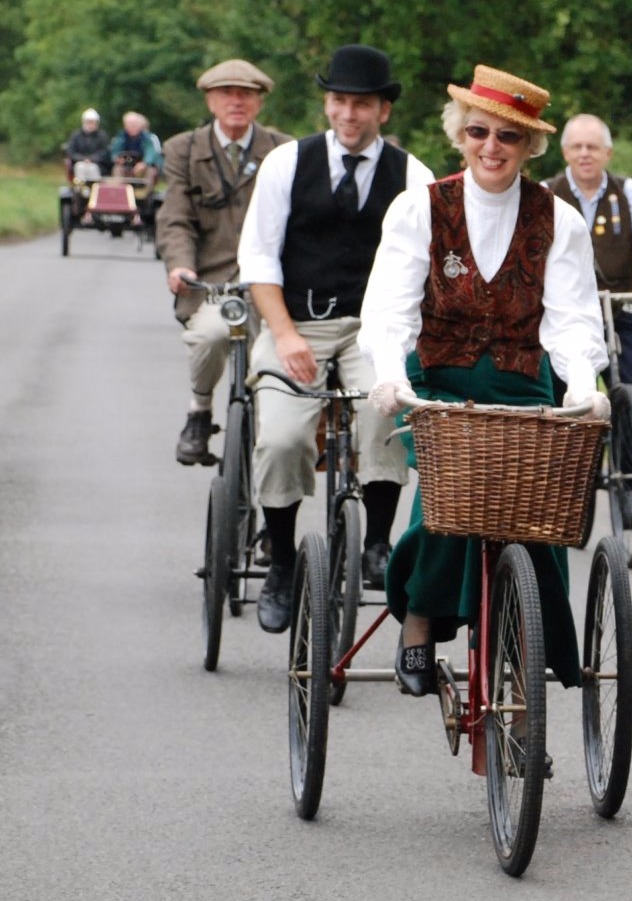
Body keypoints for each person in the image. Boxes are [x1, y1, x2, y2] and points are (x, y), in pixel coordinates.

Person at [359, 64, 610, 697]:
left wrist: (581, 383)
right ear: (459, 134)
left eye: (509, 137)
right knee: (450, 500)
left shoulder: (560, 220)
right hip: (436, 379)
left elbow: (572, 317)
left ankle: (525, 661)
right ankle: (419, 617)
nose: (492, 148)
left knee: (535, 514)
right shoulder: (422, 207)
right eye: (479, 132)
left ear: (530, 147)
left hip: (522, 380)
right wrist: (390, 376)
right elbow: (390, 305)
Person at [236, 44, 435, 633]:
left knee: (387, 411)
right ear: (326, 103)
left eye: (362, 104)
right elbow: (259, 259)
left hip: (374, 329)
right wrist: (284, 334)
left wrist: (399, 340)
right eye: (340, 101)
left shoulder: (412, 175)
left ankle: (377, 544)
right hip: (296, 323)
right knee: (280, 437)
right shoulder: (285, 164)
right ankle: (279, 563)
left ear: (383, 111)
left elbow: (422, 266)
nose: (349, 114)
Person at [158, 59, 293, 467]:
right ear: (210, 100)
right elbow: (176, 217)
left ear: (259, 102)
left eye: (246, 94)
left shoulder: (284, 150)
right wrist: (181, 266)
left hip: (272, 282)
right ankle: (199, 411)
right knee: (213, 335)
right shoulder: (184, 148)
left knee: (281, 362)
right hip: (213, 283)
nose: (237, 101)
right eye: (227, 93)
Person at [541, 113, 632, 432]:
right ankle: (577, 471)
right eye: (577, 147)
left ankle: (630, 469)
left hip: (617, 312)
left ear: (607, 153)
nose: (585, 154)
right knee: (561, 398)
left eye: (593, 147)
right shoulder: (545, 193)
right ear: (565, 152)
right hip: (562, 318)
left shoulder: (627, 191)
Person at [109, 111, 163, 180]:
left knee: (150, 171)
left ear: (140, 125)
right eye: (129, 124)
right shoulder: (120, 137)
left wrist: (144, 163)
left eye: (134, 124)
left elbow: (151, 152)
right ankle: (120, 189)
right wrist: (117, 158)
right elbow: (114, 152)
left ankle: (146, 190)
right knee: (117, 169)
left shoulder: (148, 138)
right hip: (125, 166)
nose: (132, 127)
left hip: (143, 165)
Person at [65, 108, 113, 179]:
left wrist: (91, 159)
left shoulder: (102, 136)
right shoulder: (76, 136)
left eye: (93, 122)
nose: (90, 125)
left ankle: (95, 188)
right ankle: (81, 188)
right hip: (79, 163)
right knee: (80, 166)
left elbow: (104, 152)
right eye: (88, 122)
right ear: (83, 122)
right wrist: (83, 159)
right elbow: (71, 152)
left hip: (98, 164)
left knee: (92, 168)